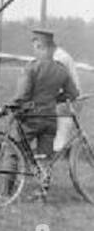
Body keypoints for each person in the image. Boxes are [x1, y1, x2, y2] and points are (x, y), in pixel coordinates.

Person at [5, 29, 80, 198]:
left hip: (31, 119)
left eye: (35, 47)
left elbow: (22, 95)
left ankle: (5, 194)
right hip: (50, 119)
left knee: (12, 151)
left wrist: (9, 106)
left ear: (40, 46)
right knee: (44, 158)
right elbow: (73, 94)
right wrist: (56, 98)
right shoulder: (61, 70)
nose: (34, 50)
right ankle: (41, 193)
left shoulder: (32, 68)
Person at [52, 36, 84, 154]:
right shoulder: (57, 56)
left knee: (60, 135)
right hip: (66, 98)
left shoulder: (59, 58)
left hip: (67, 100)